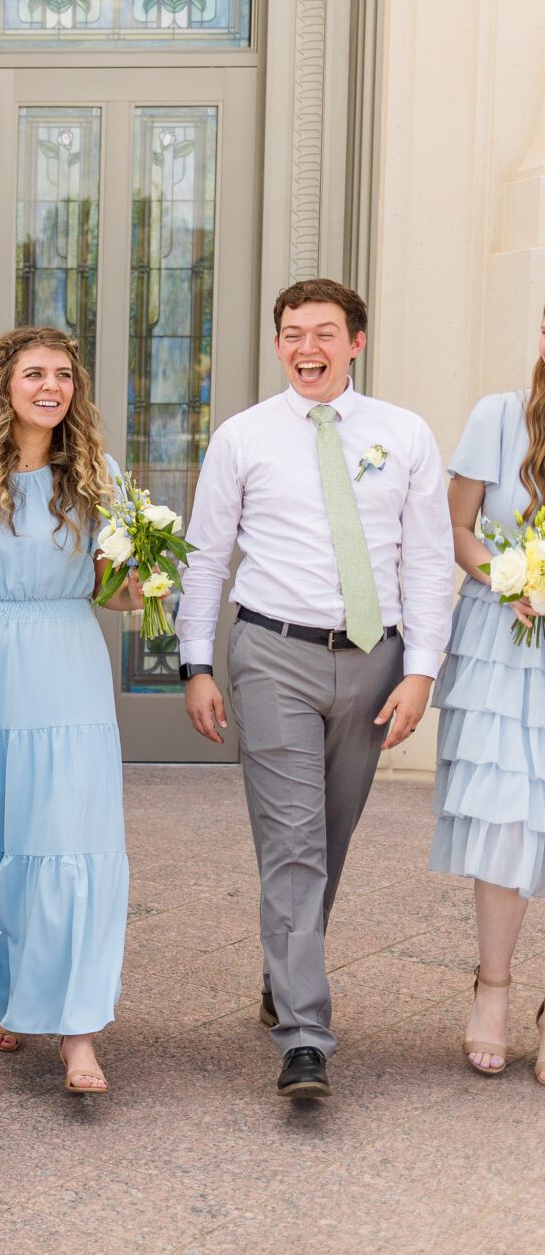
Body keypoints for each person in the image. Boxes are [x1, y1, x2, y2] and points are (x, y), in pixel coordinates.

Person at [178, 278, 452, 1100]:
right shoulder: (243, 436)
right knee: (294, 842)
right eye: (293, 333)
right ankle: (304, 1036)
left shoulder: (404, 434)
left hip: (374, 661)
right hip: (273, 654)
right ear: (277, 345)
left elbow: (430, 559)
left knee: (325, 842)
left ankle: (283, 970)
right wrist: (196, 663)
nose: (308, 348)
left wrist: (421, 673)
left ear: (355, 343)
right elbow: (205, 554)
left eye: (325, 333)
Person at [0, 326, 133, 1094]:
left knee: (70, 837)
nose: (50, 386)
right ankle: (7, 996)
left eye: (63, 375)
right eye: (34, 374)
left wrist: (140, 576)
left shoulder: (97, 477)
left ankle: (79, 1032)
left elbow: (112, 595)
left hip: (65, 666)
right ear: (4, 386)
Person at [432, 305, 545, 1080]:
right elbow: (459, 526)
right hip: (505, 641)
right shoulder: (499, 418)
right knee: (507, 823)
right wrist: (506, 581)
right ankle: (493, 989)